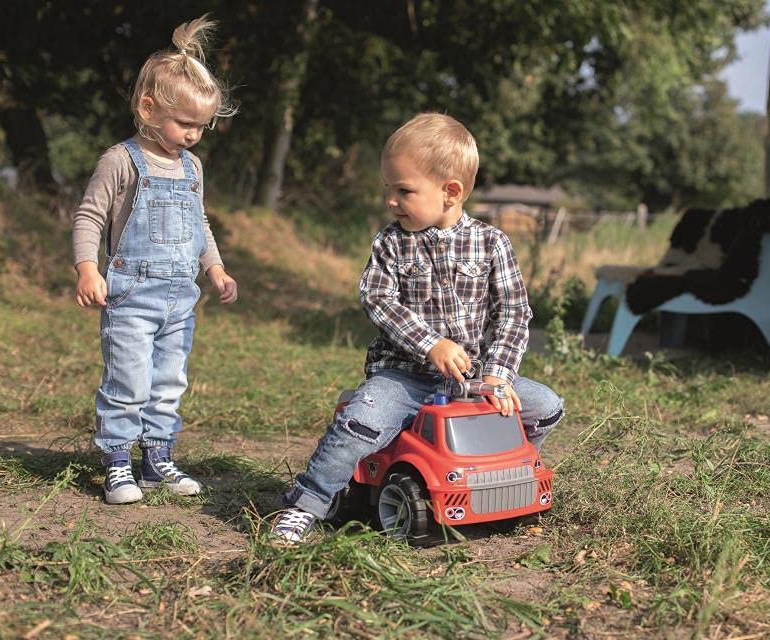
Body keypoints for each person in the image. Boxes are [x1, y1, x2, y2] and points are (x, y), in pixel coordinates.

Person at [271, 112, 565, 543]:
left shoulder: (491, 244)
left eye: (403, 190)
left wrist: (499, 375)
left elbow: (515, 312)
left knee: (547, 405)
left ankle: (503, 472)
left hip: (475, 378)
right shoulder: (390, 242)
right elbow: (378, 299)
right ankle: (307, 503)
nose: (391, 200)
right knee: (359, 423)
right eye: (388, 189)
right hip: (403, 376)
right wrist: (430, 344)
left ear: (451, 192)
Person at [72, 15, 238, 504]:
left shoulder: (193, 167)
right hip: (131, 296)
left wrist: (216, 267)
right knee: (128, 380)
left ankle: (157, 459)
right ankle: (118, 462)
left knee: (169, 382)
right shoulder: (120, 161)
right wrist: (87, 267)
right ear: (148, 108)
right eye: (185, 123)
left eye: (201, 126)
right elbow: (89, 216)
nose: (193, 135)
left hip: (180, 300)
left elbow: (198, 223)